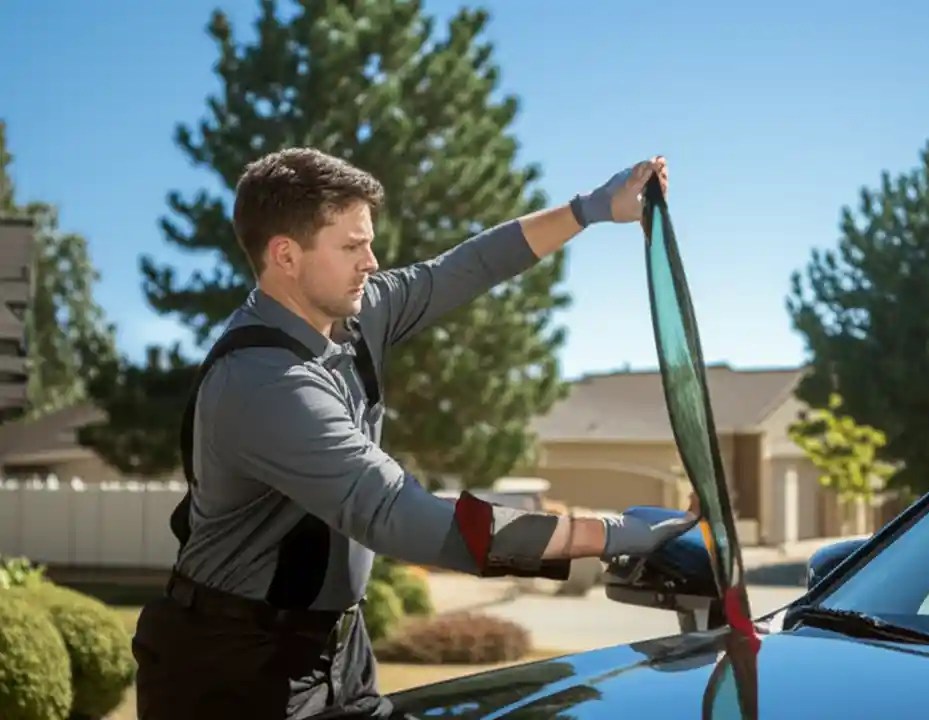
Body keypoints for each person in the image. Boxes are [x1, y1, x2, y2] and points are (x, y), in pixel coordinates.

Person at [131, 147, 698, 720]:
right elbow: (409, 519)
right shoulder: (265, 385)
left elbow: (468, 266)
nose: (371, 262)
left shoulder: (351, 318)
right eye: (351, 246)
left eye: (368, 242)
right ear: (286, 256)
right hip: (234, 672)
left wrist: (594, 207)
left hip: (336, 649)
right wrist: (609, 533)